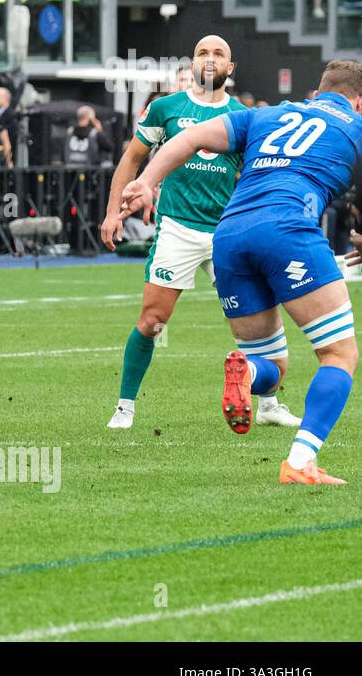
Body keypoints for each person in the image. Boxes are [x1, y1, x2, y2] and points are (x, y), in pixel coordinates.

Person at [121, 60, 362, 485]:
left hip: (229, 236)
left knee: (271, 363)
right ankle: (300, 462)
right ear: (358, 102)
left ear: (316, 93)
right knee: (339, 355)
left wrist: (147, 181)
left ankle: (247, 373)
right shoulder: (354, 127)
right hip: (287, 229)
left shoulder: (266, 114)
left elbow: (192, 136)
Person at [101, 35, 298, 432]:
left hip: (227, 233)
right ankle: (124, 408)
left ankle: (269, 404)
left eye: (218, 54)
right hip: (177, 228)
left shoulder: (245, 117)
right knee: (153, 319)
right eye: (202, 53)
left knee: (252, 322)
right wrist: (112, 214)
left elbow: (259, 177)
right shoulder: (167, 108)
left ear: (231, 68)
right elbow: (132, 159)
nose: (209, 59)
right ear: (191, 64)